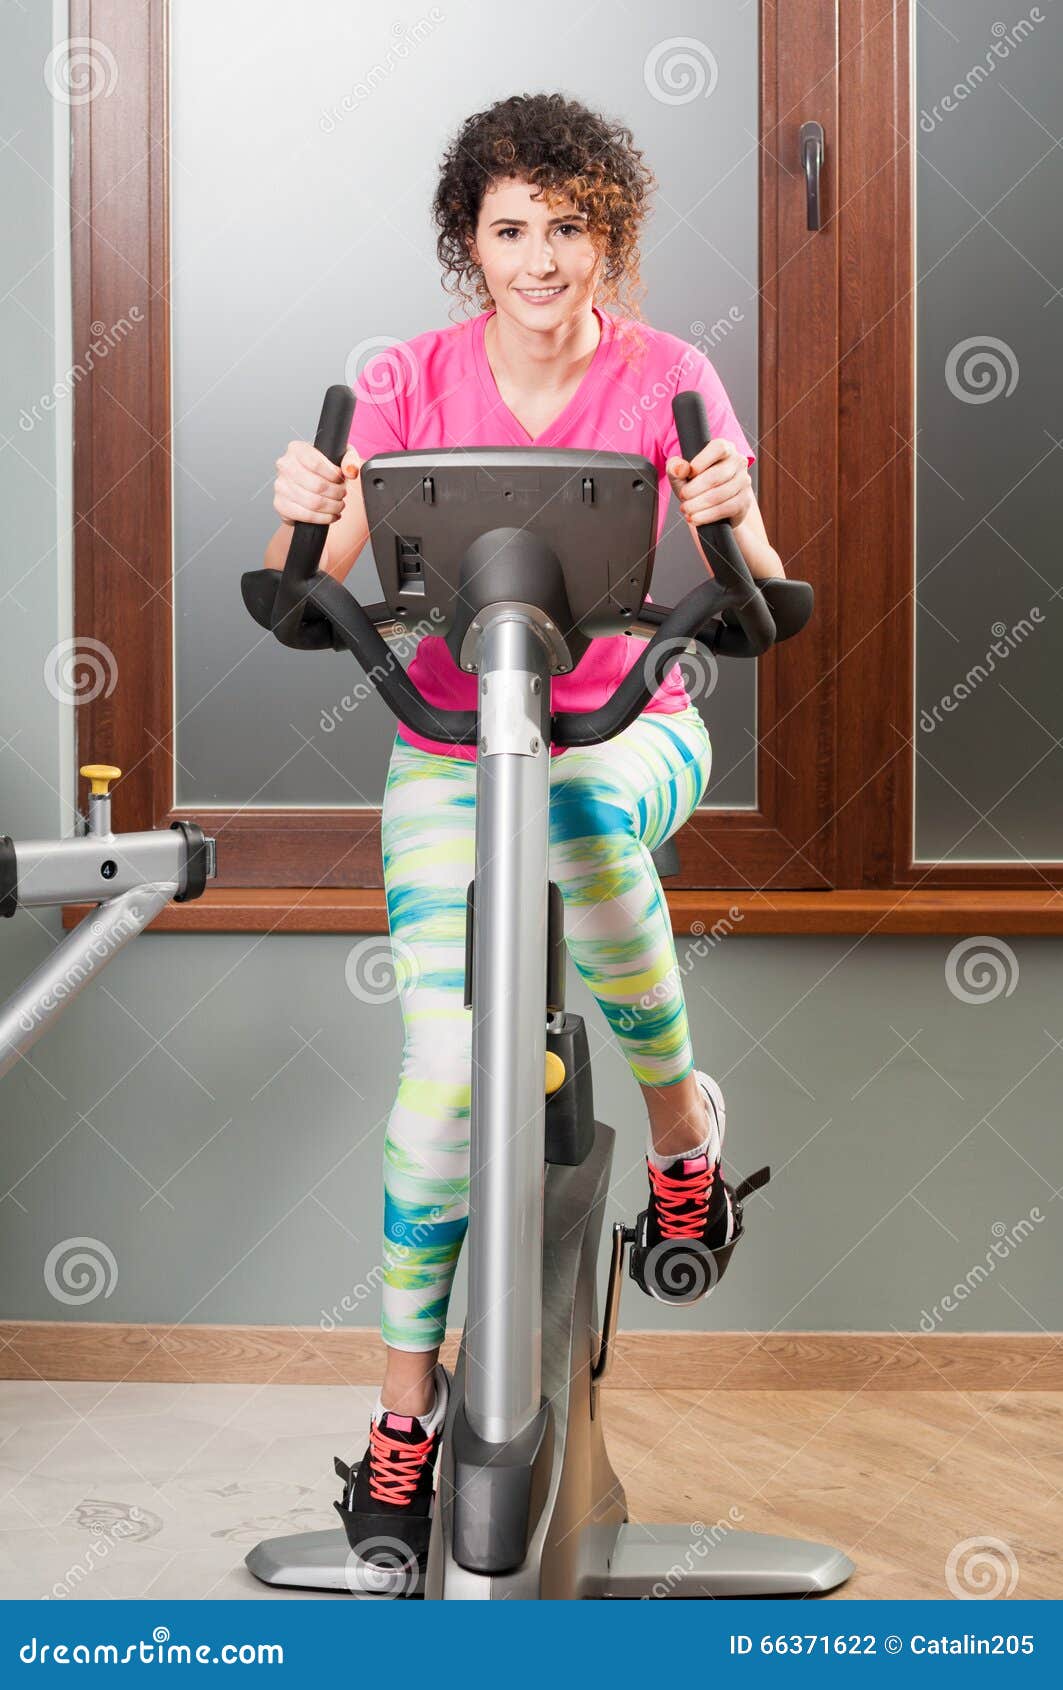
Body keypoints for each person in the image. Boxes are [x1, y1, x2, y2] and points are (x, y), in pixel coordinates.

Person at [264, 91, 785, 1539]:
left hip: (627, 729)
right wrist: (306, 504)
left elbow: (761, 573)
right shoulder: (413, 379)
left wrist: (731, 508)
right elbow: (306, 575)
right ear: (469, 246)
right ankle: (399, 1427)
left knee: (582, 821)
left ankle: (684, 1147)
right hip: (450, 743)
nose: (540, 255)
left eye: (568, 224)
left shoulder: (669, 373)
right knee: (442, 1082)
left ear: (610, 236)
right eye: (510, 228)